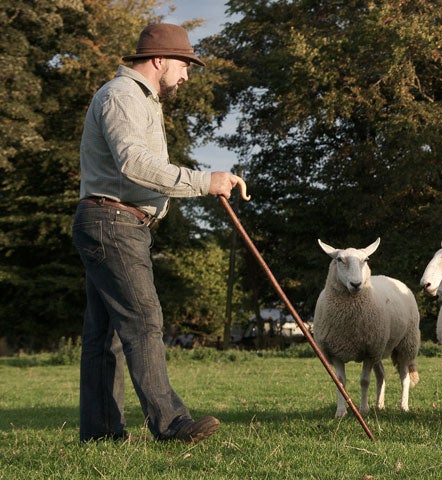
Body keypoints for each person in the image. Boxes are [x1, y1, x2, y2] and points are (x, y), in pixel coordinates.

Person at [73, 23, 243, 443]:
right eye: (185, 64)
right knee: (144, 320)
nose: (186, 75)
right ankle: (171, 424)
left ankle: (100, 434)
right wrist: (205, 181)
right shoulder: (123, 96)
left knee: (105, 334)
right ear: (160, 59)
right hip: (113, 222)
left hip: (112, 220)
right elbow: (133, 163)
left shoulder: (139, 99)